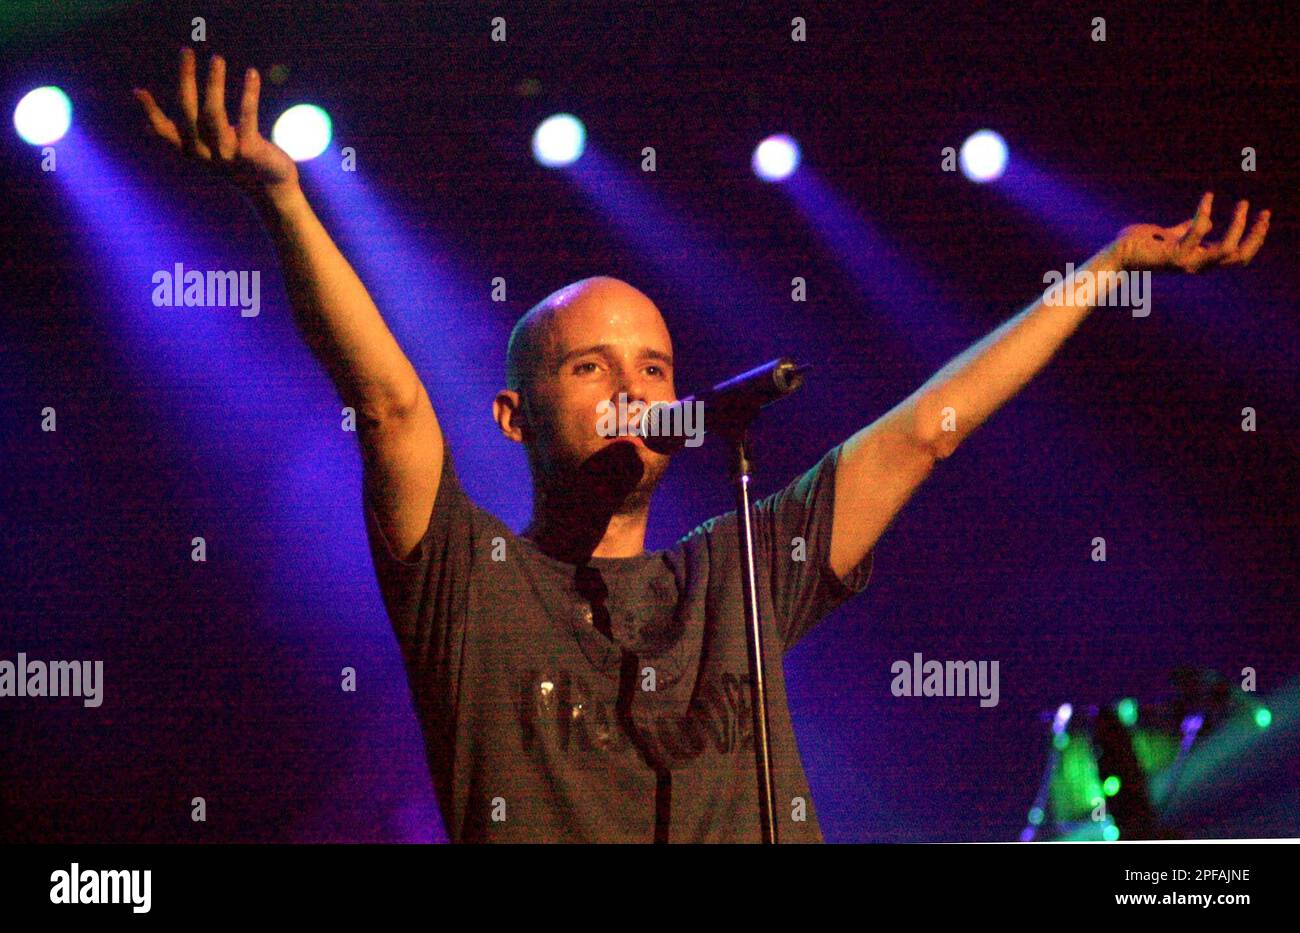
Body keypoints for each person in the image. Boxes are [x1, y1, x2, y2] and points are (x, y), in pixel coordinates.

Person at [132, 49, 1272, 843]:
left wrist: (1103, 271)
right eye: (589, 368)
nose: (633, 390)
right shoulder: (469, 584)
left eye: (654, 369)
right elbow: (389, 407)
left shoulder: (735, 572)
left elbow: (927, 433)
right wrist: (284, 203)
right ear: (514, 417)